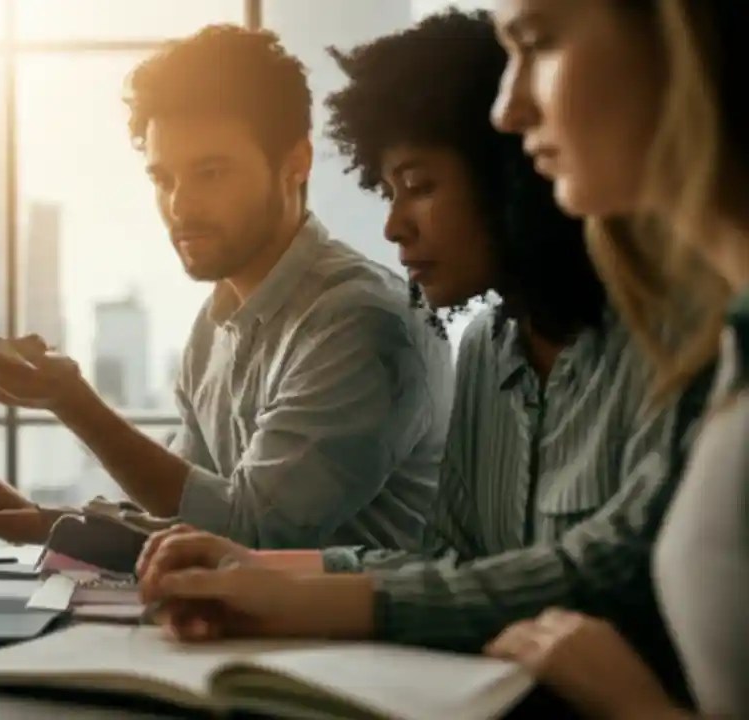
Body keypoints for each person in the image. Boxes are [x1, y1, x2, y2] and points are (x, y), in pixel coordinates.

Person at [134, 10, 706, 702]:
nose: (393, 224)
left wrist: (284, 586)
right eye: (389, 190)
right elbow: (444, 564)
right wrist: (265, 569)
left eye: (421, 186)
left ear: (508, 175)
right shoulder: (486, 349)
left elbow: (599, 576)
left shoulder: (667, 337)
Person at [0, 25, 453, 553]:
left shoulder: (360, 321)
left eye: (211, 172)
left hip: (353, 637)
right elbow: (187, 519)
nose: (180, 206)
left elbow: (250, 534)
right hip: (255, 632)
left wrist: (71, 401)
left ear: (296, 164)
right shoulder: (215, 325)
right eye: (164, 179)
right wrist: (37, 520)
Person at [483, 1, 748, 717]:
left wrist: (634, 709)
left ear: (681, 33)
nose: (507, 110)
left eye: (537, 43)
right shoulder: (729, 341)